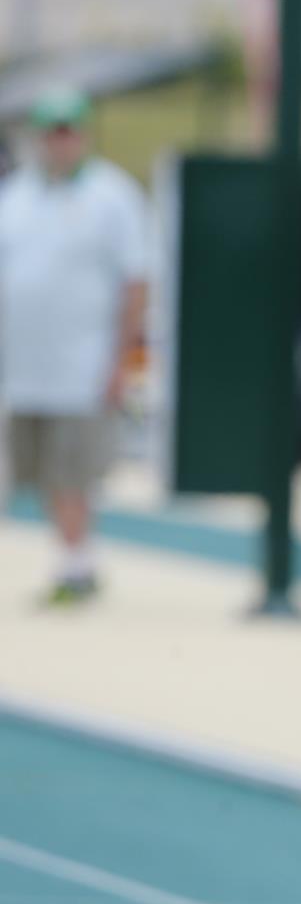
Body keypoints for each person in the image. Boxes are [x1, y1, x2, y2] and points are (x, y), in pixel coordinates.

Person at [0, 87, 150, 604]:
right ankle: (71, 559)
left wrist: (122, 362)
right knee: (40, 472)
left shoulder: (112, 196)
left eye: (67, 132)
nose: (58, 142)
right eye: (51, 132)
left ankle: (78, 565)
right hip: (24, 367)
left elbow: (136, 282)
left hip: (81, 366)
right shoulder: (17, 195)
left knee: (73, 473)